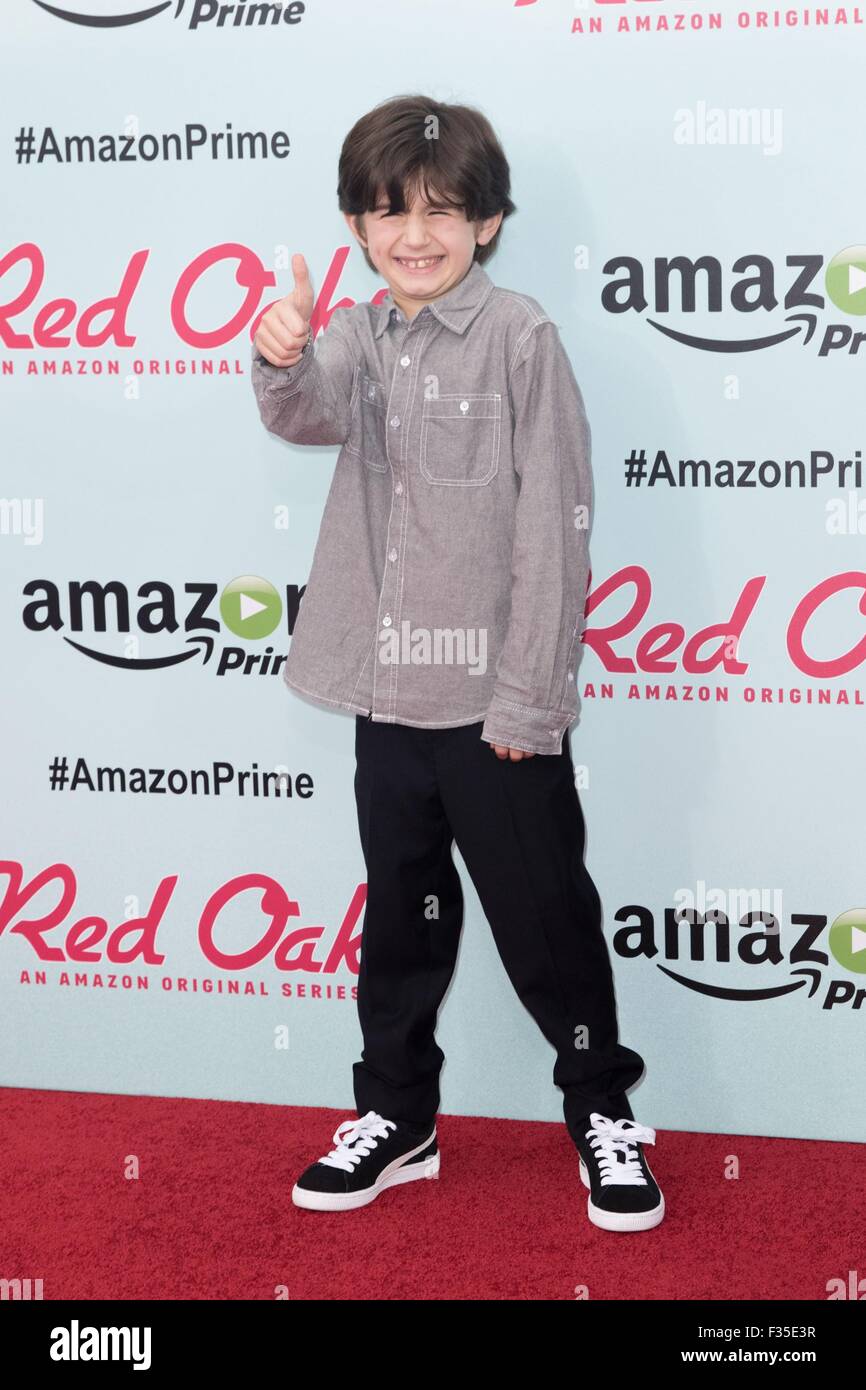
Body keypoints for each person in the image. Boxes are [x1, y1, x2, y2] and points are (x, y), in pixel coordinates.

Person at [251, 94, 664, 1233]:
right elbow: (302, 412)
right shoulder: (354, 334)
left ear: (486, 222)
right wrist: (277, 348)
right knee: (401, 922)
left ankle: (598, 1105)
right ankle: (399, 1115)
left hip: (495, 705)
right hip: (384, 700)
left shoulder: (520, 337)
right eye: (388, 213)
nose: (414, 234)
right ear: (355, 225)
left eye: (441, 211)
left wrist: (529, 698)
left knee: (548, 922)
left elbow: (554, 529)